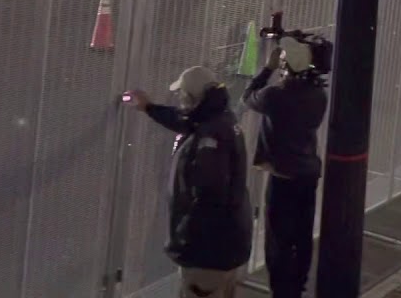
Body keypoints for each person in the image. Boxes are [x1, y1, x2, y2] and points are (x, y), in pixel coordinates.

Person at [124, 66, 253, 298]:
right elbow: (185, 120)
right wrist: (149, 108)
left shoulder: (210, 139)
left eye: (182, 94)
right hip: (226, 245)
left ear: (192, 97)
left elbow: (208, 198)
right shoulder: (218, 118)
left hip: (208, 253)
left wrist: (182, 239)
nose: (180, 99)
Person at [244, 45, 329, 298]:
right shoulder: (318, 95)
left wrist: (267, 68)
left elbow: (248, 97)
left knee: (278, 238)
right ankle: (297, 286)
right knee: (302, 235)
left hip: (283, 176)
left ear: (285, 66)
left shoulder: (276, 95)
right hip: (308, 173)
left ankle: (281, 290)